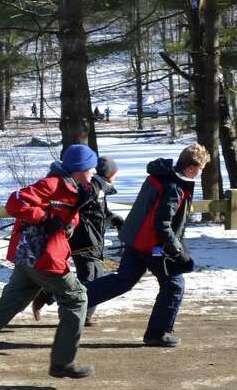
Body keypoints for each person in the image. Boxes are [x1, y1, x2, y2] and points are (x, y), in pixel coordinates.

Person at [0, 144, 99, 384]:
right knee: (77, 298)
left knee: (11, 302)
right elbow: (15, 203)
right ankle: (62, 362)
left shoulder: (74, 186)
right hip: (41, 256)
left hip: (34, 258)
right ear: (80, 168)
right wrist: (46, 218)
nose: (93, 172)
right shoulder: (53, 183)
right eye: (91, 167)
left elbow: (71, 206)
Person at [84, 144, 210, 348]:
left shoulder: (161, 175)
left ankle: (72, 298)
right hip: (152, 246)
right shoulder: (174, 186)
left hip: (135, 241)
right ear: (191, 168)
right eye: (201, 168)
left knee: (123, 280)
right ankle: (157, 333)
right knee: (174, 284)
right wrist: (178, 252)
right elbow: (163, 224)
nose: (200, 173)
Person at [31, 156, 123, 326]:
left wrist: (115, 219)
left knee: (96, 277)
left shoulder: (100, 189)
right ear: (109, 174)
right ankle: (56, 302)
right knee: (88, 278)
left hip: (94, 241)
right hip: (83, 240)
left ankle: (54, 299)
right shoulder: (91, 188)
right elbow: (75, 205)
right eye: (116, 173)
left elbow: (100, 214)